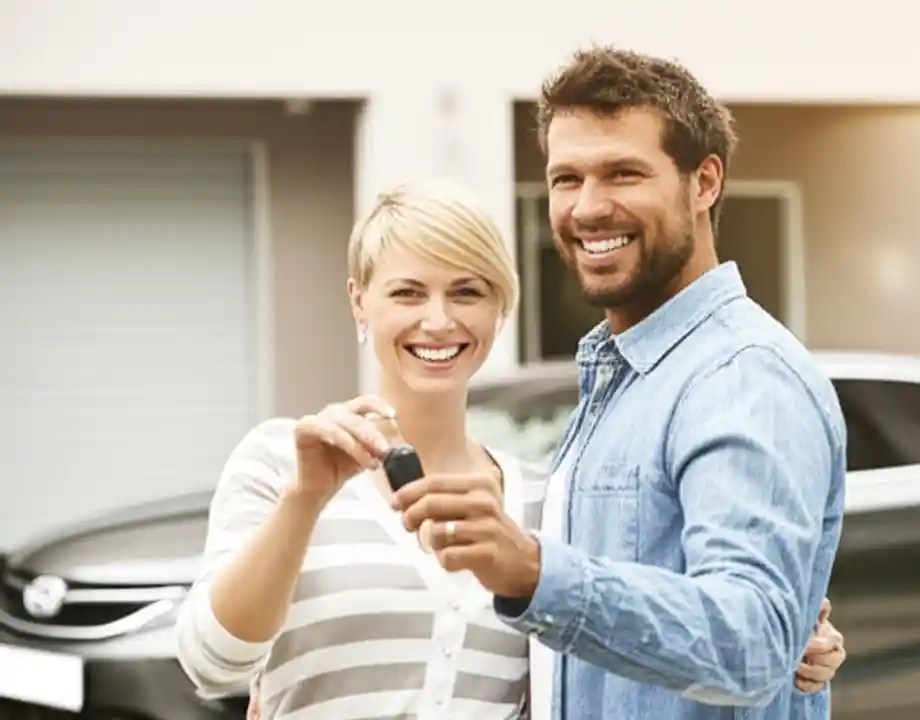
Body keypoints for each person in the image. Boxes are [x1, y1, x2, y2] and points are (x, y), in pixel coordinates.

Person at [175, 178, 846, 719]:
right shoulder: (280, 463)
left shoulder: (542, 502)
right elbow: (214, 666)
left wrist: (790, 642)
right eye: (408, 292)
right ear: (359, 302)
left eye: (467, 292)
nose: (438, 320)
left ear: (501, 309)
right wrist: (304, 501)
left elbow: (628, 628)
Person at [390, 47, 848, 719]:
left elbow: (749, 644)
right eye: (566, 178)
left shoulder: (741, 377)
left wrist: (535, 571)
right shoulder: (626, 375)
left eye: (623, 174)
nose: (588, 207)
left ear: (704, 183)